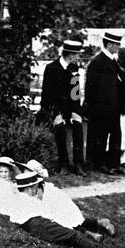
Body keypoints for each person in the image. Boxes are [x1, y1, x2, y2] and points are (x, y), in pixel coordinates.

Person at [8, 169, 118, 248]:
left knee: (72, 228)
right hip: (38, 224)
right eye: (35, 187)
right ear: (29, 188)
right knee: (74, 234)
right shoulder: (29, 200)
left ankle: (97, 245)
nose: (36, 189)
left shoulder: (21, 198)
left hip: (36, 224)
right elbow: (43, 216)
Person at [22, 160, 117, 238]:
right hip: (51, 213)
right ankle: (91, 232)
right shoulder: (29, 190)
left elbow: (55, 203)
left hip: (59, 208)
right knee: (64, 222)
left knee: (71, 220)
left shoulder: (48, 189)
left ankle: (100, 223)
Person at [83, 32, 125, 174]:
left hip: (114, 107)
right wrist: (91, 107)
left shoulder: (113, 61)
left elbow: (120, 81)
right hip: (101, 107)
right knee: (100, 136)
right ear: (109, 45)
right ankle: (99, 164)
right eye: (117, 44)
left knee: (115, 135)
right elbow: (90, 87)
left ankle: (114, 164)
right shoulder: (97, 62)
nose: (119, 47)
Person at [40, 39, 86, 175]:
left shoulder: (74, 69)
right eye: (77, 55)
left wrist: (76, 112)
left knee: (78, 124)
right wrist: (56, 113)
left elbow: (75, 94)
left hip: (70, 109)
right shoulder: (51, 68)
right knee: (60, 127)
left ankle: (78, 164)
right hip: (54, 108)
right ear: (71, 55)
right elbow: (47, 95)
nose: (77, 58)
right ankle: (63, 163)